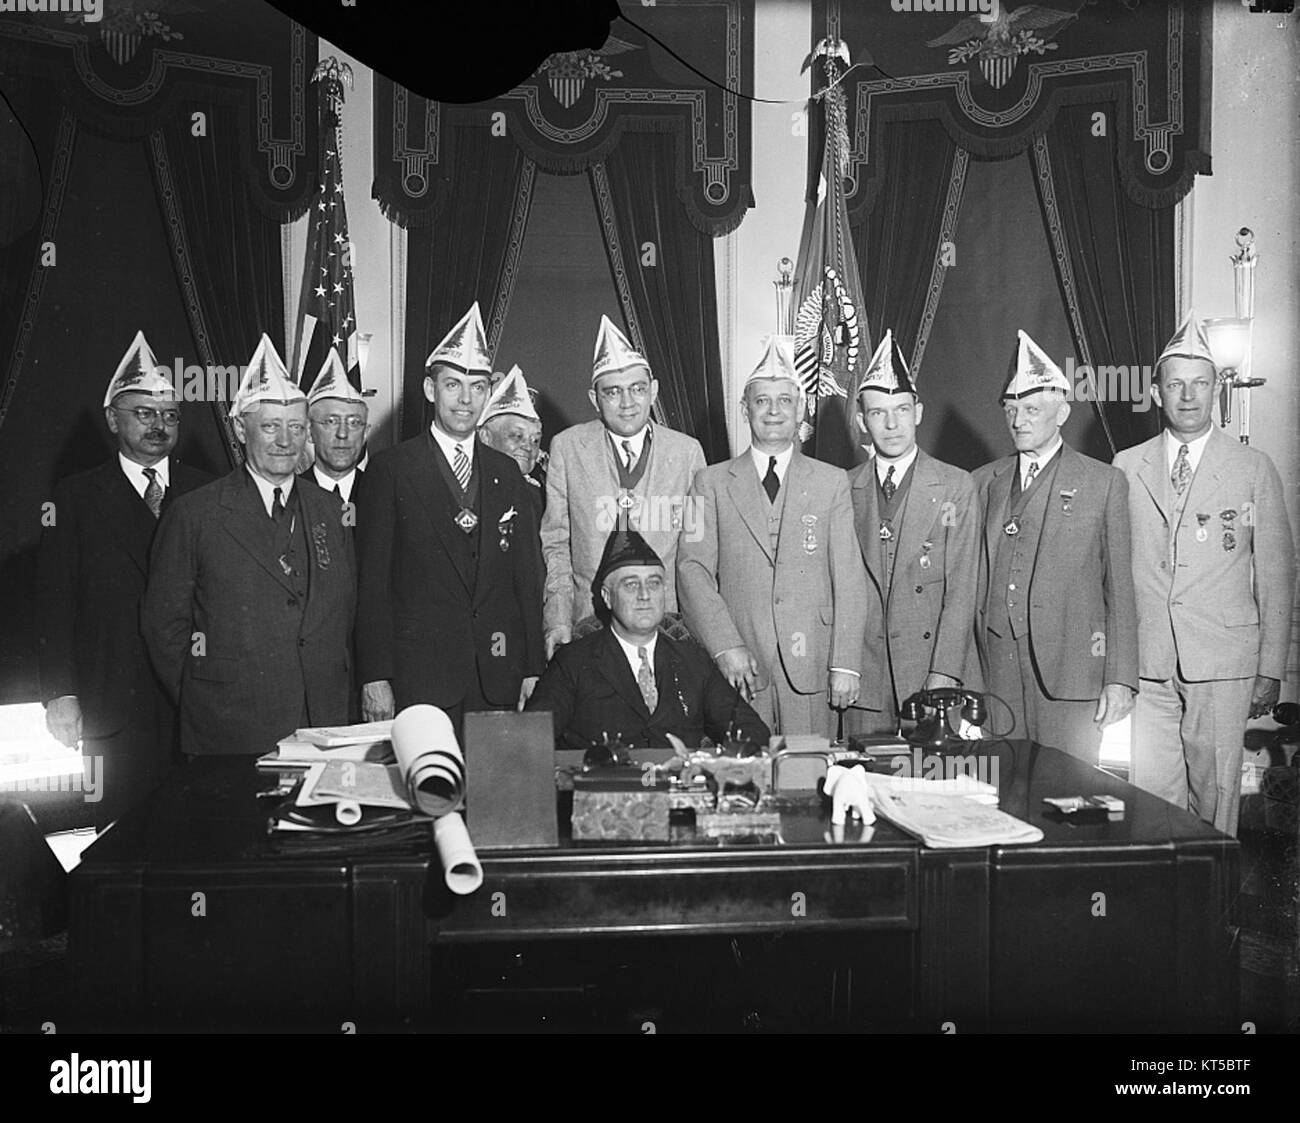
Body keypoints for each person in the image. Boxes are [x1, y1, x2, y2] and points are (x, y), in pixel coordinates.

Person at [1114, 310, 1295, 836]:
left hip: (1223, 659)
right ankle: (1161, 910)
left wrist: (1271, 665)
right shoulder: (1126, 465)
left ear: (1217, 389)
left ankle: (1211, 912)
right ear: (1155, 393)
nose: (1188, 396)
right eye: (1175, 385)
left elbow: (1277, 573)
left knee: (1216, 795)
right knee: (1150, 796)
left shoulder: (1252, 467)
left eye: (1199, 384)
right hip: (1148, 660)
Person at [142, 334, 356, 756]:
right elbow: (164, 625)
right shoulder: (195, 513)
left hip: (321, 721)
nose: (285, 441)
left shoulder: (331, 510)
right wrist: (202, 694)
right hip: (229, 724)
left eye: (296, 428)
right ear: (240, 428)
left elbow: (344, 611)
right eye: (270, 427)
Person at [37, 331, 212, 825]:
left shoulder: (210, 492)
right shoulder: (73, 499)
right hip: (113, 702)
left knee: (200, 837)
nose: (159, 425)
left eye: (170, 416)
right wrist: (61, 696)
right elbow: (54, 601)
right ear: (113, 418)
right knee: (118, 844)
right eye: (144, 414)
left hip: (195, 701)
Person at [354, 302, 544, 736]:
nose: (465, 399)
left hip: (496, 675)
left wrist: (532, 667)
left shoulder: (506, 472)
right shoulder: (392, 469)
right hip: (419, 680)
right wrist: (375, 676)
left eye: (477, 388)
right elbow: (373, 585)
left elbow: (525, 579)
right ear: (429, 389)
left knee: (495, 797)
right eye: (453, 385)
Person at [677, 335, 868, 737]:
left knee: (810, 773)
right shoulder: (707, 483)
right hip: (740, 665)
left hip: (813, 664)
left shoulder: (831, 483)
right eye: (762, 401)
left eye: (785, 400)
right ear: (745, 410)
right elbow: (691, 570)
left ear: (801, 408)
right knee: (745, 780)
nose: (774, 411)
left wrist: (845, 662)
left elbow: (849, 578)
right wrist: (725, 646)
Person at [972, 330, 1137, 760]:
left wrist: (1120, 679)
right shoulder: (981, 482)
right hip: (996, 673)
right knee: (1002, 791)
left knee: (1070, 798)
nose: (1019, 421)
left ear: (1061, 412)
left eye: (1032, 409)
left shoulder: (1103, 483)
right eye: (1012, 410)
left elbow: (1119, 588)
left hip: (1073, 672)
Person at [541, 315, 705, 656]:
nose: (627, 402)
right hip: (590, 622)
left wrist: (699, 629)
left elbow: (697, 552)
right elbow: (556, 544)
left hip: (667, 624)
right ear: (593, 398)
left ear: (654, 390)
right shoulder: (567, 448)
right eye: (613, 392)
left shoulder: (687, 452)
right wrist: (558, 619)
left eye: (637, 389)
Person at [843, 329, 979, 734]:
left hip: (927, 675)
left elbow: (962, 589)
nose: (891, 424)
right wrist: (843, 666)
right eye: (878, 412)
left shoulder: (955, 487)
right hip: (863, 676)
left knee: (930, 787)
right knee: (864, 783)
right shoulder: (844, 488)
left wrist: (944, 672)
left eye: (901, 410)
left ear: (918, 412)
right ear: (861, 420)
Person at [528, 528, 770, 750]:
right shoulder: (572, 662)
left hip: (678, 793)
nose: (645, 595)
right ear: (607, 597)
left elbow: (752, 731)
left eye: (654, 584)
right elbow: (530, 741)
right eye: (631, 584)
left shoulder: (692, 658)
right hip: (606, 792)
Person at [303, 347, 369, 505]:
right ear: (309, 432)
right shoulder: (287, 496)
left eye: (354, 422)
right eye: (331, 421)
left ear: (365, 433)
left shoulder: (383, 492)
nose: (342, 433)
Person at [477, 363, 544, 516]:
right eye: (517, 436)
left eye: (535, 440)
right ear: (486, 437)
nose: (528, 447)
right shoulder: (469, 489)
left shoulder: (540, 496)